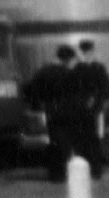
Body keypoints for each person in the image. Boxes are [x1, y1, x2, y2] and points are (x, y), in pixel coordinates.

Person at [25, 44, 77, 181]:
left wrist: (38, 104)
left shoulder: (44, 71)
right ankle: (62, 173)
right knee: (65, 143)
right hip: (67, 112)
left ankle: (54, 173)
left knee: (54, 141)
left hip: (51, 111)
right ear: (68, 59)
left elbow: (33, 89)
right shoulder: (68, 73)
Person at [65, 38, 108, 179]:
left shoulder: (76, 69)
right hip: (94, 108)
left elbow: (71, 88)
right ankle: (96, 169)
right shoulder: (99, 68)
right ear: (91, 51)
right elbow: (104, 87)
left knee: (81, 140)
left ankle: (85, 169)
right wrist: (96, 102)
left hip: (79, 108)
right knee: (94, 139)